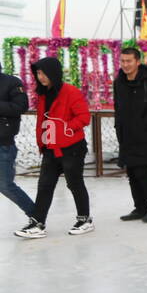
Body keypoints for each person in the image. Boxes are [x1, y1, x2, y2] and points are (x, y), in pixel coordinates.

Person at [15, 57, 93, 238]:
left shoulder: (70, 92)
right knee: (44, 185)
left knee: (74, 183)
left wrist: (65, 128)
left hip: (71, 147)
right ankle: (37, 223)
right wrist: (42, 141)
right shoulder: (43, 94)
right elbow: (43, 120)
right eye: (38, 73)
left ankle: (85, 219)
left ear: (53, 73)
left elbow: (83, 117)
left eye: (43, 73)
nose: (40, 77)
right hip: (50, 147)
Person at [113, 47, 147, 222]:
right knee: (132, 172)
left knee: (142, 171)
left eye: (129, 61)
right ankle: (140, 208)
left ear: (137, 62)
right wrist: (118, 125)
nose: (125, 65)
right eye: (123, 61)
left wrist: (145, 124)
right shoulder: (119, 82)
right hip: (126, 134)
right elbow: (117, 107)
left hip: (145, 136)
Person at [0, 68, 36, 221]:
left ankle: (35, 214)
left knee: (5, 185)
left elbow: (20, 106)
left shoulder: (11, 82)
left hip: (3, 144)